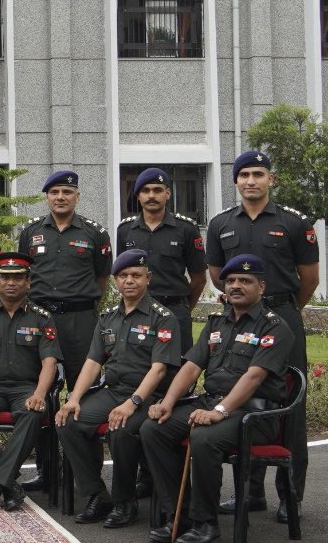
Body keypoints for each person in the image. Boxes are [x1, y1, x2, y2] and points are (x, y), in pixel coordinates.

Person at [140, 254, 294, 543]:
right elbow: (191, 367)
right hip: (212, 404)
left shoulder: (274, 327)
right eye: (231, 280)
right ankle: (178, 515)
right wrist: (168, 402)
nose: (236, 285)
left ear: (261, 287)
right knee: (154, 429)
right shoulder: (216, 323)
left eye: (245, 281)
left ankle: (205, 524)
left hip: (254, 416)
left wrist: (220, 411)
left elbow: (254, 377)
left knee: (204, 438)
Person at [206, 150, 318, 522]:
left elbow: (310, 279)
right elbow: (217, 274)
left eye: (258, 174)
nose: (251, 181)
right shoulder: (221, 223)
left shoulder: (294, 222)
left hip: (282, 314)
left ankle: (291, 497)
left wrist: (281, 314)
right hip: (238, 318)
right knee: (241, 397)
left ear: (271, 179)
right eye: (244, 175)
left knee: (290, 406)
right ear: (235, 181)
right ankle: (250, 494)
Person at [55, 249, 181, 527]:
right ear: (114, 280)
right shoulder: (108, 317)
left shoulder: (163, 317)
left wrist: (132, 402)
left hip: (149, 396)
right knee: (68, 422)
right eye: (123, 276)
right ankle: (99, 495)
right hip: (113, 391)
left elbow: (159, 369)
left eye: (136, 275)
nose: (129, 281)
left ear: (148, 278)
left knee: (121, 429)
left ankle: (125, 503)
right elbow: (92, 361)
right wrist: (73, 398)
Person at [16, 169, 112, 490]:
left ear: (77, 197)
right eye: (55, 193)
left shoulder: (95, 233)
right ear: (47, 197)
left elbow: (102, 279)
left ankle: (87, 476)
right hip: (41, 321)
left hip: (80, 322)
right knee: (40, 394)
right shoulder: (30, 233)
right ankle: (46, 472)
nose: (61, 198)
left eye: (67, 193)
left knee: (83, 395)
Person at [116, 167, 206, 499]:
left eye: (158, 189)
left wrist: (178, 310)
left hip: (175, 313)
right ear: (137, 196)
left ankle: (177, 473)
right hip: (139, 316)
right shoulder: (126, 229)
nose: (152, 195)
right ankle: (145, 473)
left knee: (175, 389)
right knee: (144, 384)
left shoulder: (185, 229)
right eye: (145, 190)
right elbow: (121, 271)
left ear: (168, 193)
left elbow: (198, 277)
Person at [0, 252, 61, 515]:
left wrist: (40, 394)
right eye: (5, 278)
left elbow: (50, 362)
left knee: (33, 411)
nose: (11, 283)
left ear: (28, 282)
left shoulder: (42, 317)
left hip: (25, 388)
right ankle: (8, 487)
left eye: (18, 278)